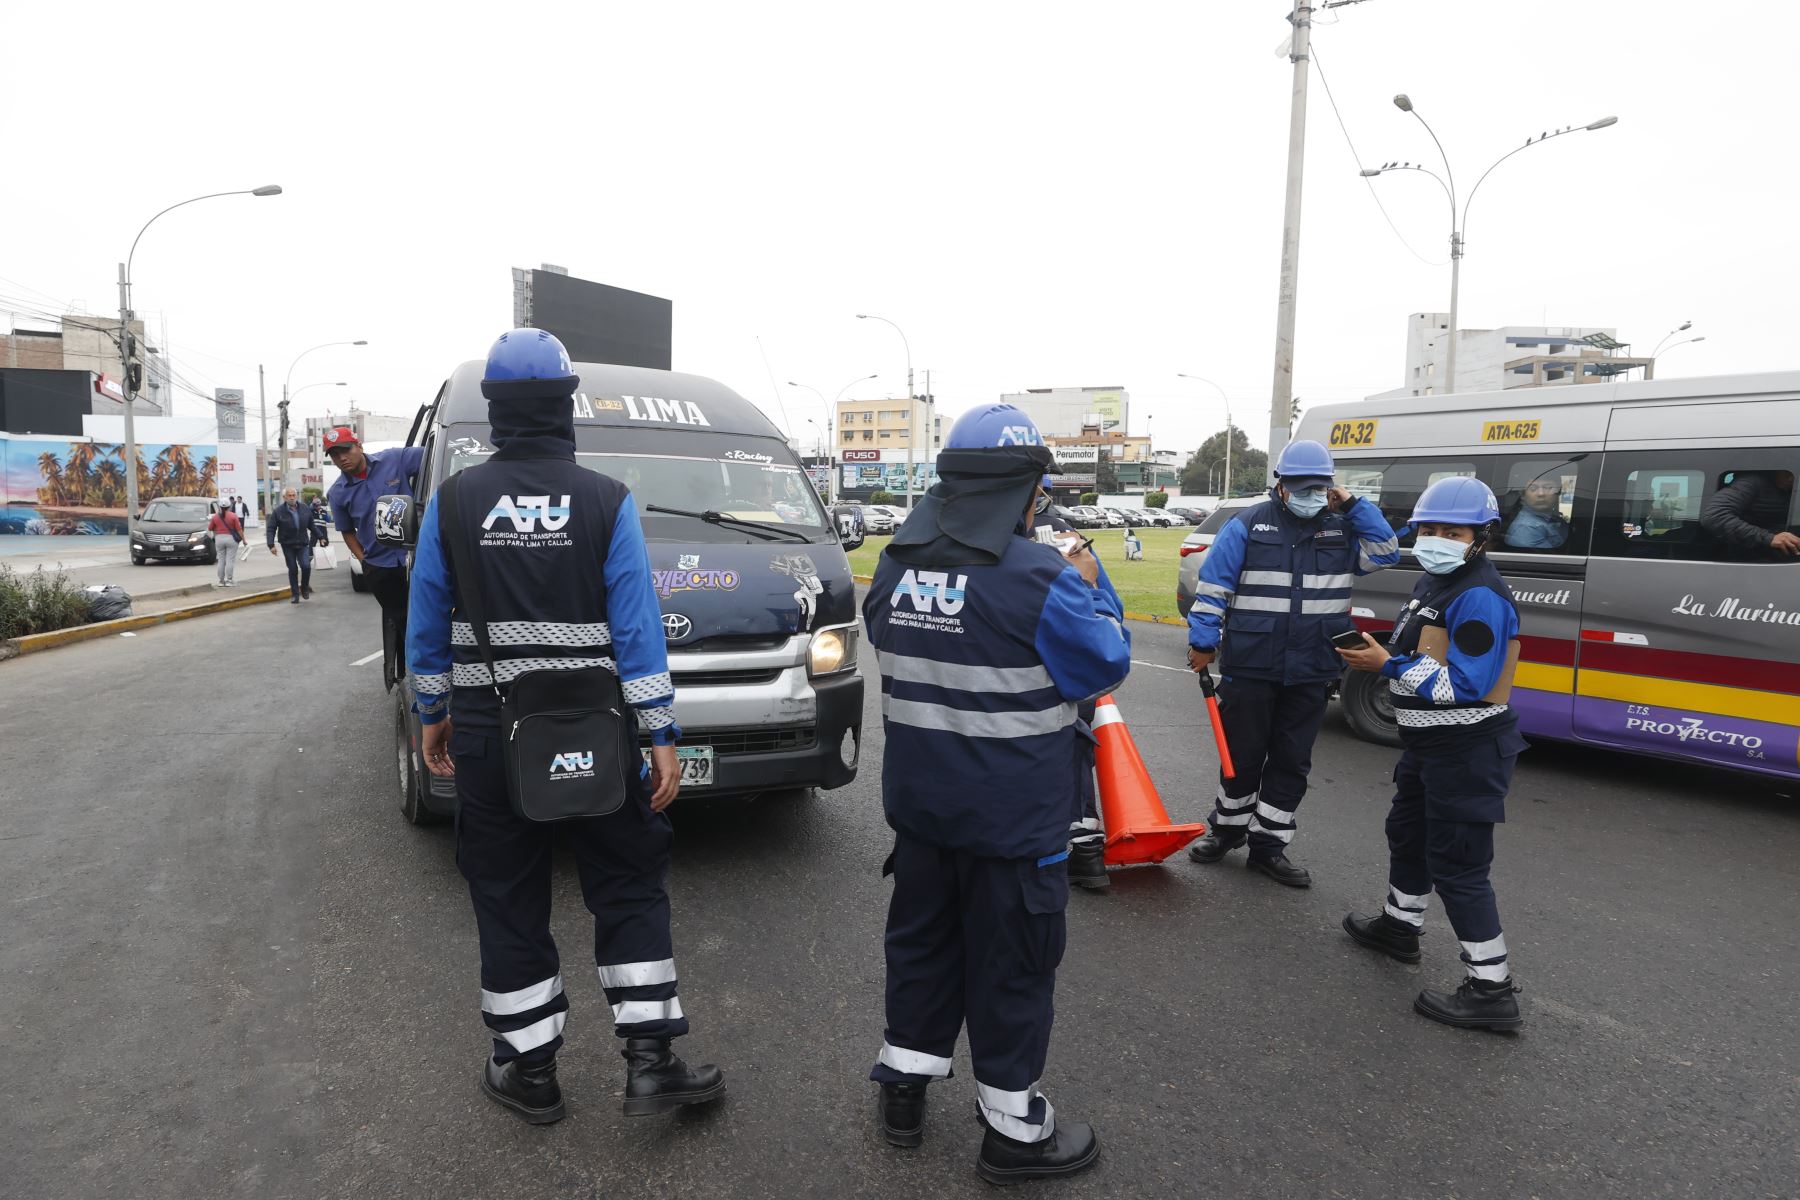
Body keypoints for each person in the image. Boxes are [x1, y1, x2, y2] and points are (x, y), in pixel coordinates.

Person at [407, 328, 723, 1127]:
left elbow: (426, 626)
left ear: (495, 410)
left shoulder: (454, 502)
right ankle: (651, 1063)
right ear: (565, 405)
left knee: (508, 894)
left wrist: (432, 718)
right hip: (597, 733)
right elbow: (638, 630)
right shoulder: (607, 500)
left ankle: (530, 1071)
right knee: (628, 883)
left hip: (488, 733)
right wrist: (661, 735)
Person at [865, 402, 1130, 1184]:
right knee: (1013, 968)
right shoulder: (1043, 579)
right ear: (1026, 489)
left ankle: (903, 1090)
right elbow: (1105, 663)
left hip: (922, 816)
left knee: (921, 949)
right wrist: (1092, 585)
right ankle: (1014, 1132)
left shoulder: (893, 567)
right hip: (1014, 826)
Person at [1337, 477, 1528, 1032]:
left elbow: (1467, 685)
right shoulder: (1438, 579)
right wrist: (1381, 651)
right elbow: (1420, 646)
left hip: (1466, 750)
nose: (1437, 540)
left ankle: (1491, 990)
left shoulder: (1479, 594)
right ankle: (1400, 927)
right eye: (1429, 530)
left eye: (1453, 532)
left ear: (1481, 537)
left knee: (1460, 867)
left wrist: (1388, 666)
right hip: (1429, 746)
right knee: (1409, 833)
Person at [1184, 440, 1400, 887]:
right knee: (1241, 757)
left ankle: (1269, 846)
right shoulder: (1247, 524)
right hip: (1251, 664)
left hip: (1313, 665)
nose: (1310, 494)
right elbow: (1213, 587)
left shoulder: (1341, 527)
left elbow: (1386, 551)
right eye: (1301, 486)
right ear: (1280, 484)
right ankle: (1226, 831)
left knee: (1291, 760)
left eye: (1319, 487)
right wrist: (1203, 640)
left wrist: (1352, 504)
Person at [325, 427, 424, 663]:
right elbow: (347, 532)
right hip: (381, 568)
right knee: (403, 624)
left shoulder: (395, 459)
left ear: (359, 446)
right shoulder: (337, 493)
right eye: (334, 454)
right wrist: (365, 561)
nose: (341, 458)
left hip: (419, 558)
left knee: (430, 618)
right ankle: (415, 672)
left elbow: (438, 454)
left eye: (345, 450)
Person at [1700, 470, 1798, 560]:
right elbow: (1714, 515)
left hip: (1777, 558)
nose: (1791, 479)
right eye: (1787, 474)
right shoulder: (1751, 482)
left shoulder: (1791, 490)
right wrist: (1769, 538)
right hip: (1745, 560)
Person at [266, 487, 315, 603]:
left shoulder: (304, 508)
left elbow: (311, 525)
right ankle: (295, 595)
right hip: (287, 545)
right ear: (284, 497)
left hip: (302, 543)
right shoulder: (278, 511)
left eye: (294, 495)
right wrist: (271, 545)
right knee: (293, 569)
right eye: (289, 495)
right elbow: (271, 528)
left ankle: (304, 587)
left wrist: (322, 537)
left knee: (306, 566)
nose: (292, 498)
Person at [1502, 476, 1571, 550]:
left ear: (1558, 493)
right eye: (1533, 489)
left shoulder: (1552, 518)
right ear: (1523, 495)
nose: (1541, 493)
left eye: (1548, 487)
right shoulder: (1528, 527)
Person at [209, 499, 244, 586]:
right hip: (231, 539)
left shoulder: (215, 516)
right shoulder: (233, 516)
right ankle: (229, 580)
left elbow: (210, 528)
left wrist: (217, 530)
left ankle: (221, 581)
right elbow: (239, 529)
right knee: (230, 560)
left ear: (220, 507)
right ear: (229, 506)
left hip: (219, 539)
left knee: (221, 560)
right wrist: (244, 540)